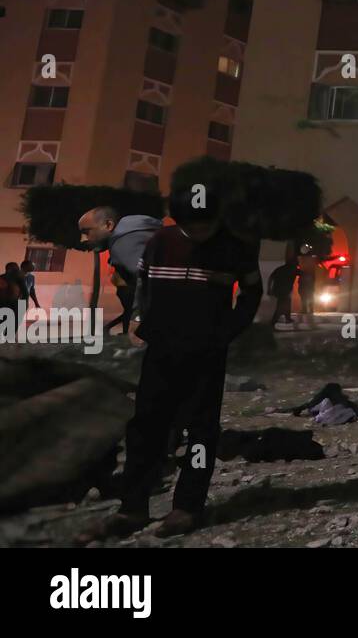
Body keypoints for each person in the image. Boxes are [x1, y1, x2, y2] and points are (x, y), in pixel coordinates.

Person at [75, 183, 263, 543]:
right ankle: (132, 507)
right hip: (162, 350)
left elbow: (252, 292)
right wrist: (140, 319)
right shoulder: (161, 242)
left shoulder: (234, 247)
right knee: (145, 427)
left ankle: (187, 506)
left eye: (205, 224)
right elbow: (143, 282)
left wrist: (229, 331)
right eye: (191, 224)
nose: (199, 231)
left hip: (207, 352)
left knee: (201, 431)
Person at [78, 206, 163, 335]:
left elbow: (146, 278)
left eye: (86, 231)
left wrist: (137, 317)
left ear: (108, 225)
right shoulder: (138, 233)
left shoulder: (122, 242)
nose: (83, 239)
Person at [268, 259, 299, 330]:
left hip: (279, 290)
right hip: (282, 291)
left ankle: (287, 318)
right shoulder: (292, 270)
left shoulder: (280, 269)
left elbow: (271, 278)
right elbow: (302, 273)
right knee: (281, 305)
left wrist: (269, 288)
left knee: (287, 302)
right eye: (296, 266)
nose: (296, 267)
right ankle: (273, 322)